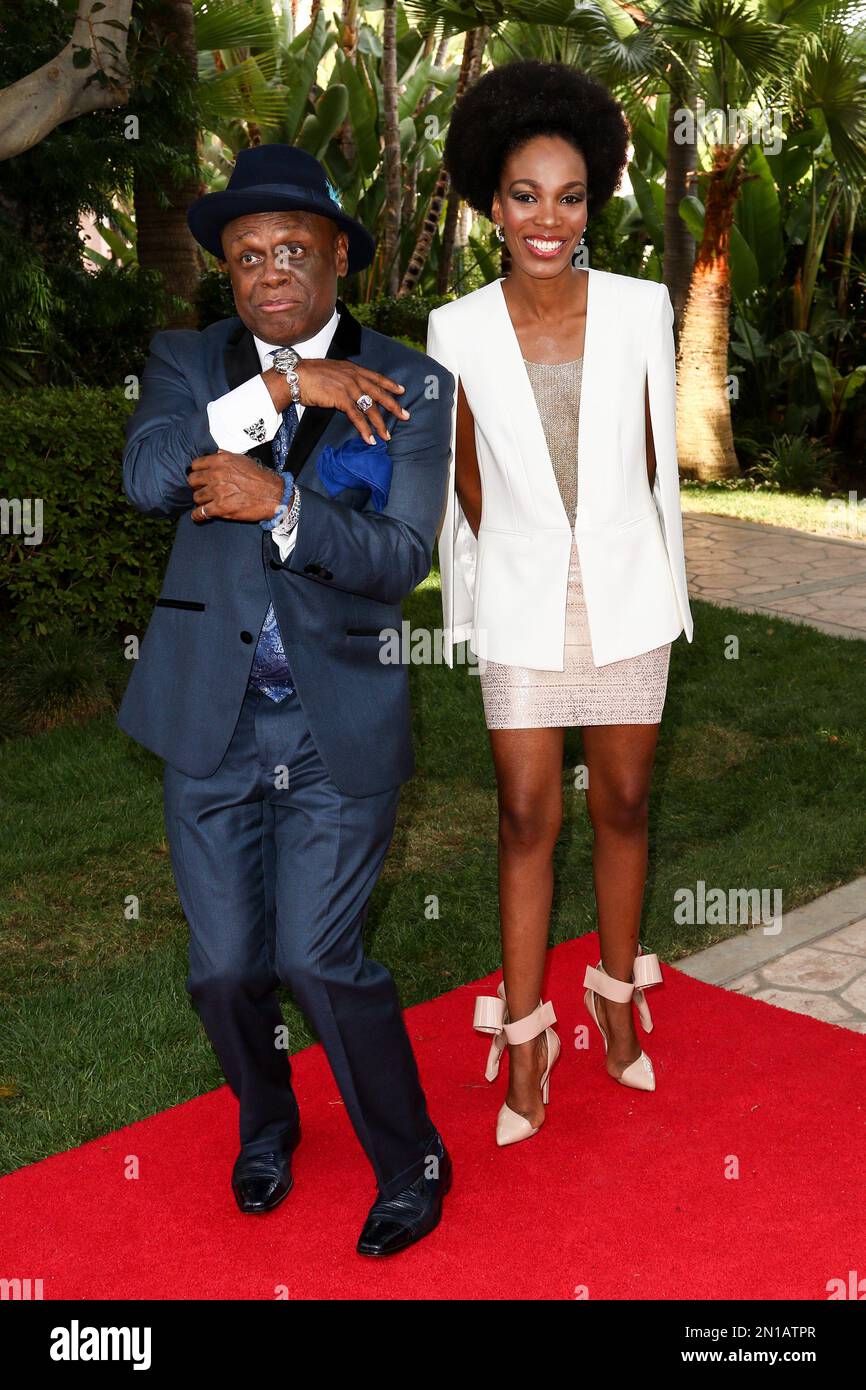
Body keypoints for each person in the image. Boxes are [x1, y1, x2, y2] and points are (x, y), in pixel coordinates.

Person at [117, 144, 454, 1256]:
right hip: (206, 713)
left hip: (331, 718)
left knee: (318, 957)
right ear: (227, 269)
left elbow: (399, 551)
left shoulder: (411, 379)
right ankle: (268, 1123)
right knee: (222, 969)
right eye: (247, 254)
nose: (269, 271)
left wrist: (282, 509)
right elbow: (148, 473)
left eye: (293, 249)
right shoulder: (185, 360)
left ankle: (409, 1158)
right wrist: (273, 390)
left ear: (338, 256)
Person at [426, 61, 694, 1147]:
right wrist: (522, 560)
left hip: (626, 592)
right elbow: (465, 479)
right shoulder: (454, 329)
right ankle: (525, 1036)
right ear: (492, 204)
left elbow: (645, 463)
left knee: (622, 802)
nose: (548, 218)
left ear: (591, 203)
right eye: (525, 195)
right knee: (527, 813)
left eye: (570, 195)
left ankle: (616, 1001)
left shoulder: (638, 308)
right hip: (525, 600)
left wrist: (623, 560)